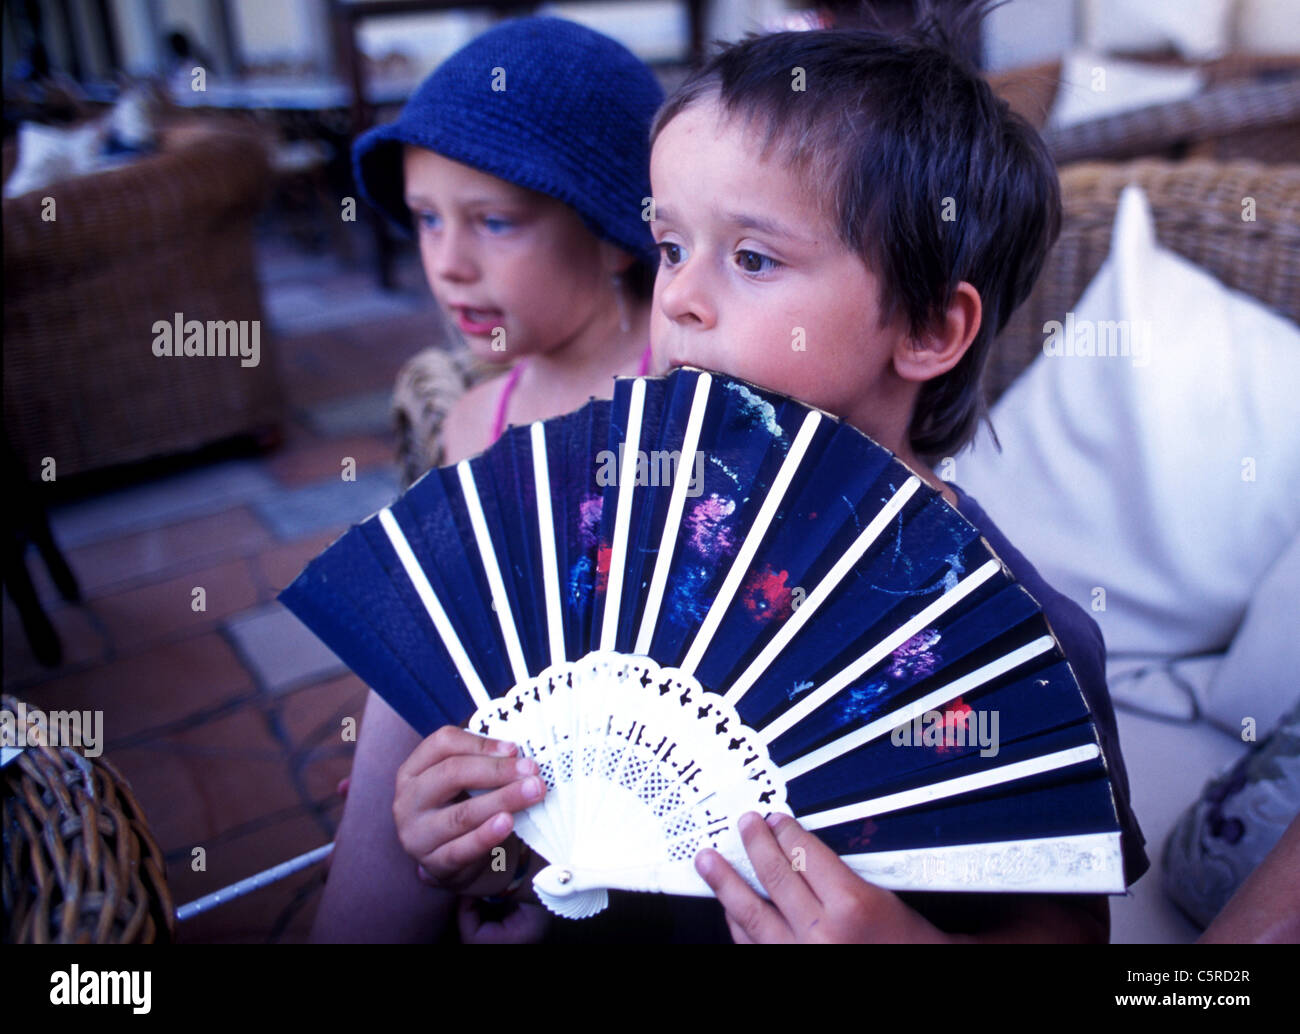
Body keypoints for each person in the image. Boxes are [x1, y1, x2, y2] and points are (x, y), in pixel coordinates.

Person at [364, 6, 1153, 943]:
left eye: (752, 257)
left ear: (929, 330)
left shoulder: (1018, 651)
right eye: (669, 247)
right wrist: (477, 842)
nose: (680, 299)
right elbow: (543, 860)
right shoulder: (602, 554)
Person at [311, 16, 663, 943]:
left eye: (494, 221)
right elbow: (472, 650)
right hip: (528, 794)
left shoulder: (685, 393)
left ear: (617, 235)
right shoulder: (477, 425)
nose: (447, 262)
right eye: (427, 219)